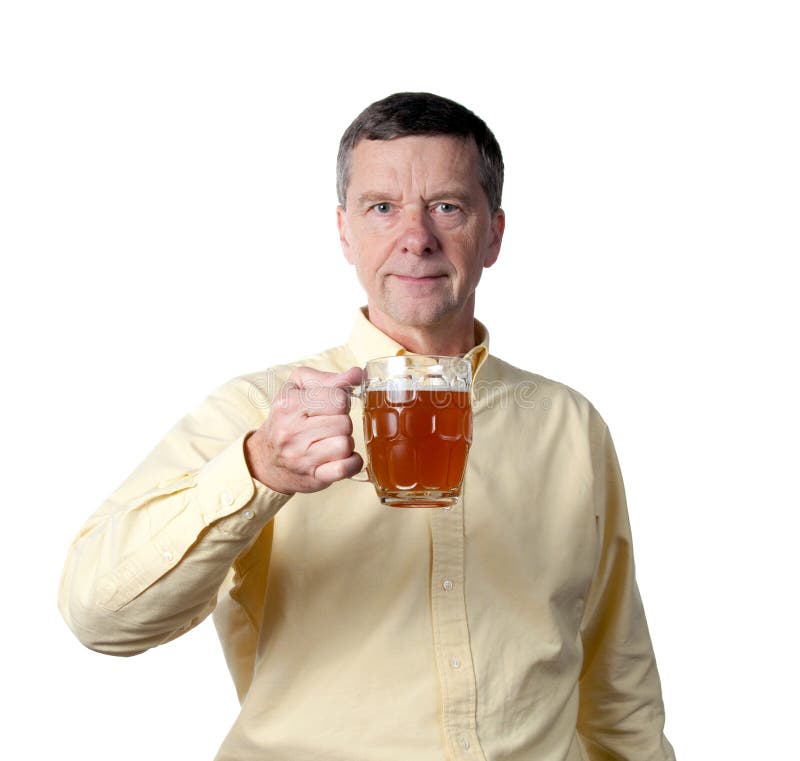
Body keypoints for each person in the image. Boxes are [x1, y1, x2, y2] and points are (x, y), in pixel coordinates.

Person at [59, 92, 676, 761]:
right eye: (382, 208)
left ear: (493, 233)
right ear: (344, 230)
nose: (416, 236)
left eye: (447, 206)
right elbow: (99, 615)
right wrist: (258, 469)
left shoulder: (569, 424)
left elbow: (619, 687)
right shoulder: (263, 410)